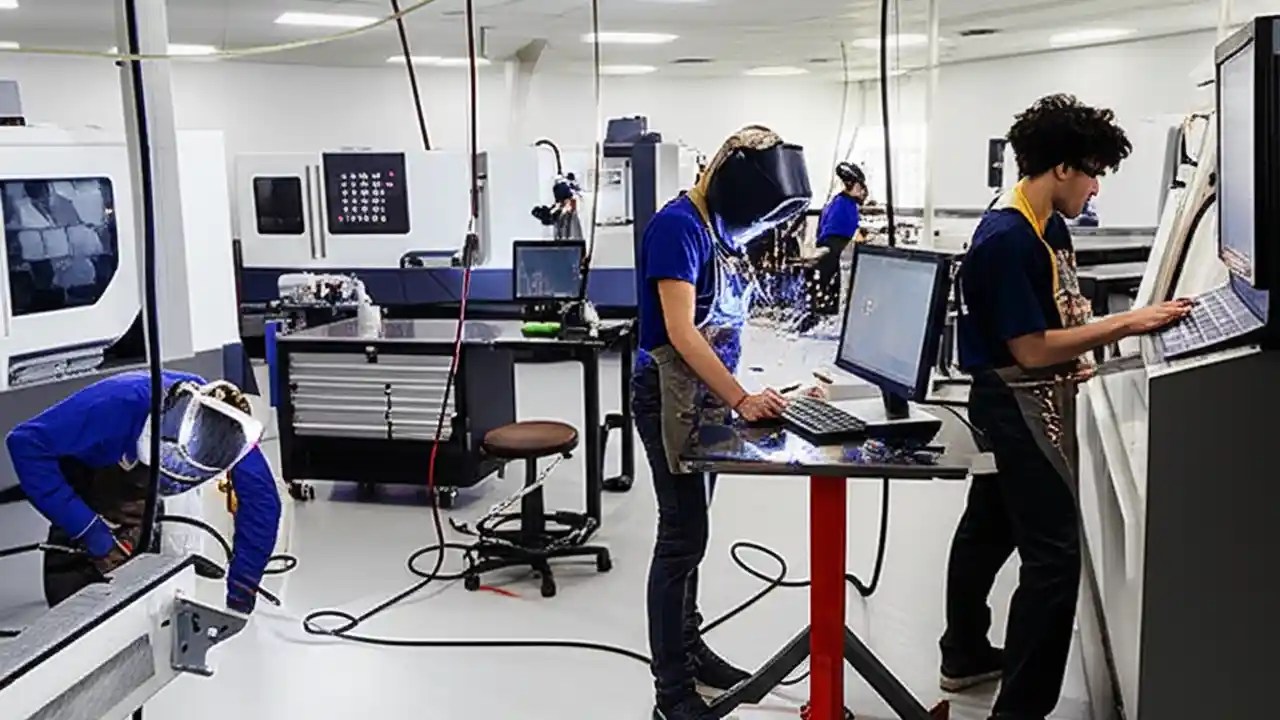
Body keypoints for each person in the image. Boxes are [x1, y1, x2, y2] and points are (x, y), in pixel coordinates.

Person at [940, 94, 1191, 720]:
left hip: (1023, 392)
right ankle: (1020, 710)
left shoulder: (1045, 224)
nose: (1096, 186)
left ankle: (964, 652)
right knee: (1053, 559)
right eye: (1092, 171)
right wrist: (1130, 323)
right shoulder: (1005, 238)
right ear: (1060, 169)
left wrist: (1078, 342)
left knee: (989, 526)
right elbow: (1029, 349)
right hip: (1016, 404)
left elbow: (1051, 316)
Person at [633, 125, 812, 720]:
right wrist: (740, 398)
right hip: (669, 396)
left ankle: (691, 651)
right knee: (681, 538)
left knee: (695, 534)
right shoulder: (677, 227)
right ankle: (672, 693)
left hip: (702, 396)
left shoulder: (712, 227)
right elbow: (682, 331)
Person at [6, 370, 282, 614]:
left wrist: (242, 592)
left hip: (135, 468)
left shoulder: (228, 432)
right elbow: (25, 444)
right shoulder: (114, 405)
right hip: (92, 468)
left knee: (149, 579)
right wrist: (89, 530)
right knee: (69, 599)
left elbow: (263, 503)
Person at [801, 162, 868, 332]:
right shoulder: (843, 204)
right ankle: (819, 317)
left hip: (828, 245)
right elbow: (847, 230)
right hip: (830, 246)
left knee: (826, 281)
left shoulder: (840, 202)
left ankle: (819, 315)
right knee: (826, 281)